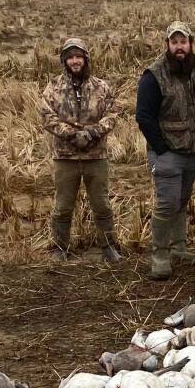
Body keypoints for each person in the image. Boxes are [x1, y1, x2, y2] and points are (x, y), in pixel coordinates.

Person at [134, 21, 195, 281]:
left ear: (190, 44)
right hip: (168, 154)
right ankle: (160, 254)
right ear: (167, 45)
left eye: (183, 41)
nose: (179, 46)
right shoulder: (153, 75)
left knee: (181, 201)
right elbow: (144, 116)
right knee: (167, 204)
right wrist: (162, 149)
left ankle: (179, 249)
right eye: (174, 42)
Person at [38, 36, 121, 263]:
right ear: (64, 61)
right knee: (63, 206)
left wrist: (93, 132)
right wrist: (72, 134)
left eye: (79, 56)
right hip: (66, 157)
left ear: (86, 58)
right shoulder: (53, 87)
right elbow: (47, 116)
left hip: (96, 156)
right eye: (70, 57)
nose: (75, 61)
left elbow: (113, 113)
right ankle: (59, 248)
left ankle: (108, 246)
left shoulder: (101, 87)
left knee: (102, 205)